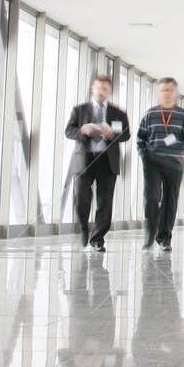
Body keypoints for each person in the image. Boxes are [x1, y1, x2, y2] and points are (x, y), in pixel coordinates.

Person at [63, 74, 131, 250]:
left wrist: (112, 135)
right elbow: (68, 131)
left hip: (107, 162)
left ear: (109, 91)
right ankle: (84, 228)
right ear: (92, 89)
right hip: (84, 160)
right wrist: (82, 131)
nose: (101, 91)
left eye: (105, 88)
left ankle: (97, 238)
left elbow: (126, 135)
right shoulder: (79, 110)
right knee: (82, 200)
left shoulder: (119, 113)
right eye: (98, 87)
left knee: (105, 202)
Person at [135, 77, 184, 251]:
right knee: (152, 197)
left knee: (170, 200)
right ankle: (150, 233)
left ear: (175, 93)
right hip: (152, 162)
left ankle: (164, 238)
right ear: (158, 93)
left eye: (169, 90)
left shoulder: (183, 115)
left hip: (175, 163)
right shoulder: (150, 114)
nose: (166, 93)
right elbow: (141, 138)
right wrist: (144, 155)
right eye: (163, 90)